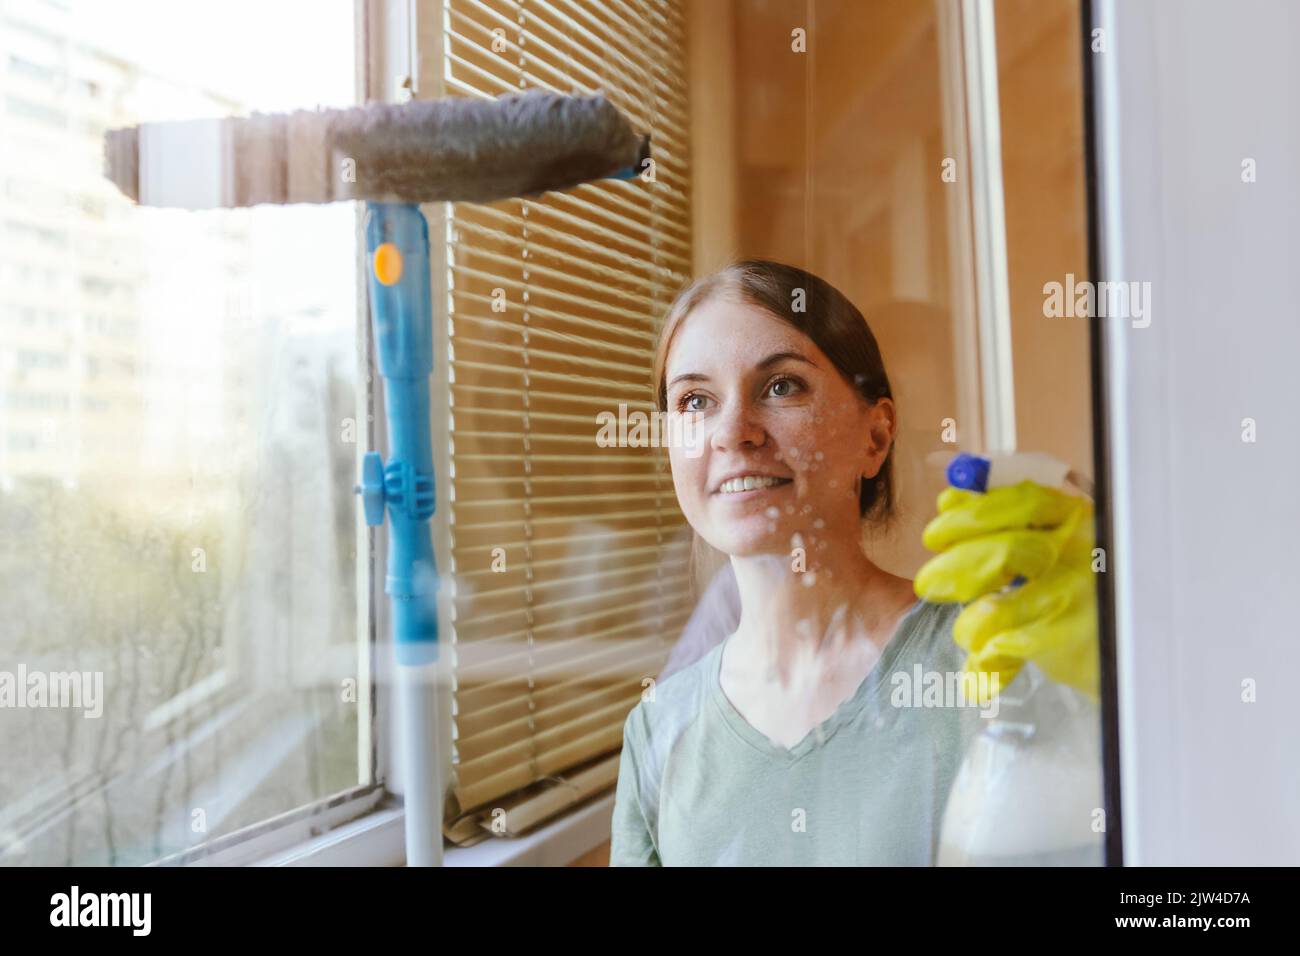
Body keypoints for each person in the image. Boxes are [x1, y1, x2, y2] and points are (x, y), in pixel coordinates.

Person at [610, 258, 1097, 866]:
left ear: (877, 436)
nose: (732, 431)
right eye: (694, 400)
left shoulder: (997, 658)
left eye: (782, 385)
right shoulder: (658, 730)